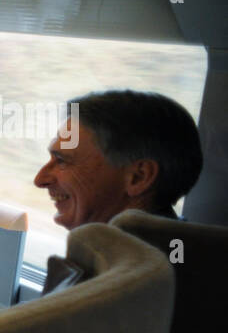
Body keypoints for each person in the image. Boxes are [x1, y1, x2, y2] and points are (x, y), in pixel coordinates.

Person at [33, 89, 203, 229]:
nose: (40, 180)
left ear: (139, 177)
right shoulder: (173, 248)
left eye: (62, 161)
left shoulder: (146, 268)